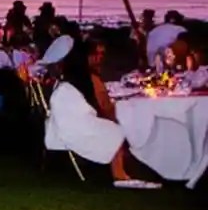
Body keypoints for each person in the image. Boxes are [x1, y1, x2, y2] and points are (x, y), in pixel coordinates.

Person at [46, 38, 159, 189]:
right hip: (75, 127)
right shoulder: (88, 78)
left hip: (65, 125)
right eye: (96, 54)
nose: (100, 58)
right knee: (119, 129)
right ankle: (120, 173)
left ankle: (127, 167)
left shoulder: (74, 77)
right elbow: (104, 105)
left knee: (119, 124)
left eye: (102, 54)